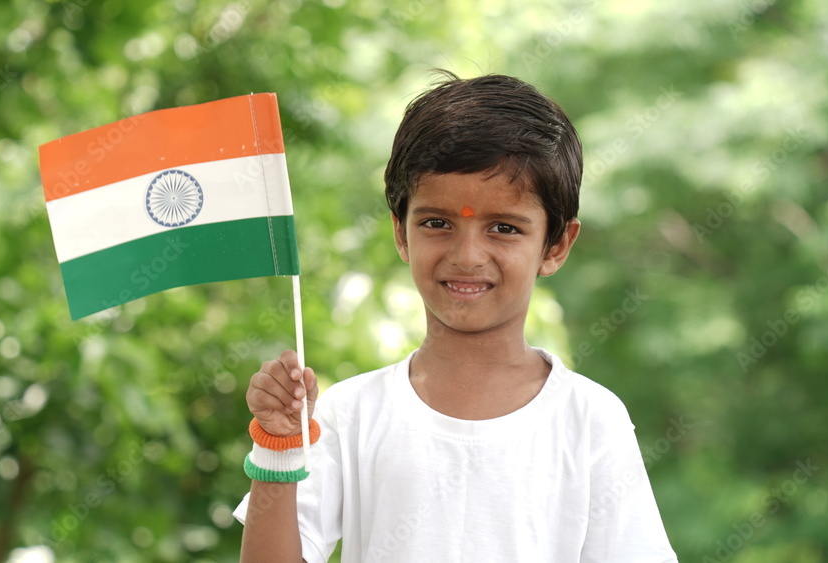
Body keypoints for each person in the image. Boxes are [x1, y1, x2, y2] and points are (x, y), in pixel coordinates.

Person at [233, 72, 678, 562]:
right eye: (437, 223)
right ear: (401, 234)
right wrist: (278, 447)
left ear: (556, 245)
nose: (467, 255)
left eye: (504, 228)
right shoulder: (350, 414)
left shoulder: (591, 420)